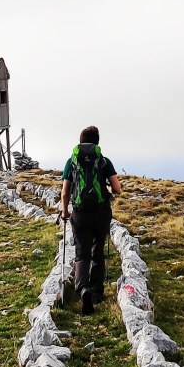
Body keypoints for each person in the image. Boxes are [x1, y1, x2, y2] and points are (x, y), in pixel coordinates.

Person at [60, 125, 122, 314]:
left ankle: (82, 289)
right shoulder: (104, 161)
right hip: (101, 213)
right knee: (98, 251)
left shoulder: (72, 162)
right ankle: (96, 292)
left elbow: (65, 192)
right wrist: (109, 190)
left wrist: (65, 212)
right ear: (97, 142)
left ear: (80, 141)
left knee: (82, 253)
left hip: (80, 214)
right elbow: (117, 188)